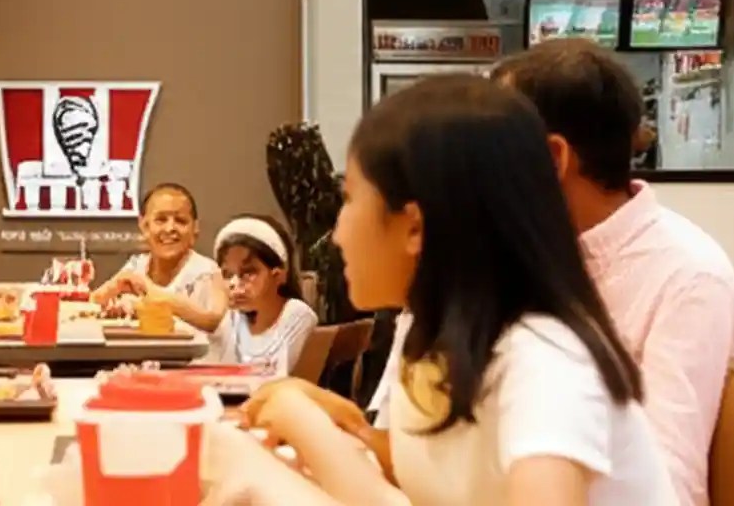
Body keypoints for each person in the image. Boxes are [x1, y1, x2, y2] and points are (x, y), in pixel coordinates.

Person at [241, 75, 674, 506]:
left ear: (414, 226)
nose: (337, 234)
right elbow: (439, 479)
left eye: (350, 199)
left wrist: (307, 429)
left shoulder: (543, 358)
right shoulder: (434, 336)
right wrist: (336, 424)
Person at [492, 39, 734, 506]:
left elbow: (669, 484)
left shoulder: (687, 276)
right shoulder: (524, 256)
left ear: (553, 158)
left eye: (494, 151)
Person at [91, 183, 226, 333]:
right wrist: (112, 287)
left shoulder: (207, 272)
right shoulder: (136, 266)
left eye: (181, 221)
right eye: (161, 220)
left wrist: (153, 293)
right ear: (144, 226)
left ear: (195, 228)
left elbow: (213, 320)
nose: (170, 229)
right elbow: (90, 308)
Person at [210, 214, 317, 370]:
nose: (234, 284)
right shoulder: (233, 318)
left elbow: (278, 380)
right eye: (227, 274)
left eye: (248, 273)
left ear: (278, 276)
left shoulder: (297, 315)